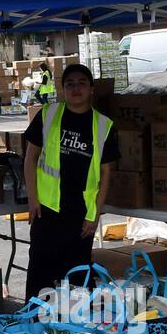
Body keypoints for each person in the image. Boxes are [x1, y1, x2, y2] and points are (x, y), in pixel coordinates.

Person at [22, 63, 119, 301]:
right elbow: (30, 157)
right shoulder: (48, 114)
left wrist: (94, 216)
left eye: (82, 83)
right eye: (70, 84)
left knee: (78, 278)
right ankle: (33, 323)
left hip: (80, 213)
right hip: (46, 209)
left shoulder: (103, 125)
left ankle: (76, 327)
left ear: (92, 89)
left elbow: (107, 174)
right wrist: (32, 198)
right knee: (40, 273)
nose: (76, 89)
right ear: (63, 89)